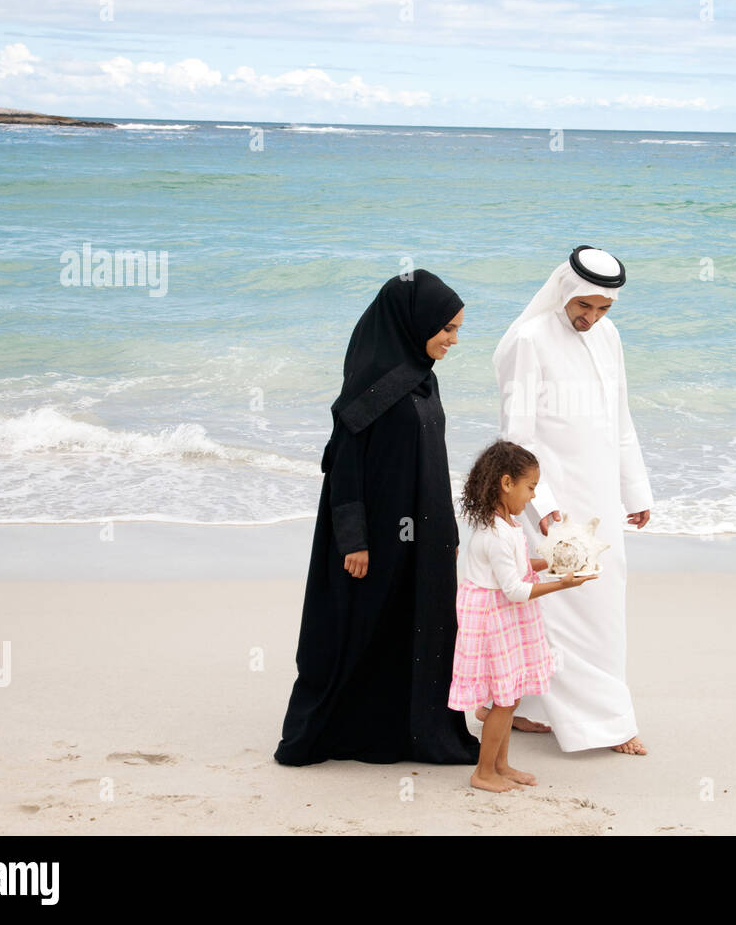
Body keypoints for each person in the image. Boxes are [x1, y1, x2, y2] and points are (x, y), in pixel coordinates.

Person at [274, 269, 478, 766]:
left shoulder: (422, 380)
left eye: (457, 330)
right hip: (373, 539)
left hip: (420, 534)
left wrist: (447, 532)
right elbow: (344, 469)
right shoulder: (374, 387)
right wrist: (354, 542)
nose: (454, 340)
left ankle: (403, 730)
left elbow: (434, 461)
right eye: (447, 329)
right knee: (361, 628)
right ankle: (339, 731)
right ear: (415, 323)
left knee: (410, 625)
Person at [484, 246, 653, 756]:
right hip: (550, 498)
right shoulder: (531, 340)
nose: (591, 317)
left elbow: (619, 419)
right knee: (567, 602)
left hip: (601, 493)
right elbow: (518, 436)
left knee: (604, 598)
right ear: (564, 292)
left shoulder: (610, 336)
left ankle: (527, 707)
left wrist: (635, 489)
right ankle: (608, 722)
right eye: (585, 306)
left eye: (603, 309)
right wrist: (543, 505)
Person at [449, 439, 598, 792]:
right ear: (505, 483)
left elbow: (516, 567)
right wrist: (563, 584)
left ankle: (501, 765)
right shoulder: (496, 534)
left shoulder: (507, 523)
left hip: (505, 611)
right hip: (492, 615)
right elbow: (514, 589)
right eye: (530, 487)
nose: (533, 497)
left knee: (511, 694)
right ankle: (483, 773)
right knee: (503, 699)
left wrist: (552, 560)